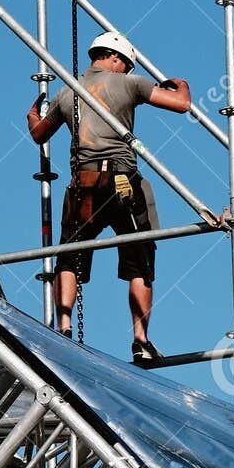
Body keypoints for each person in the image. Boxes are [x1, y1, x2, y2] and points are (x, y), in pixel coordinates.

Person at [26, 31, 190, 367]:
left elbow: (39, 133)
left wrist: (32, 116)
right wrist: (181, 84)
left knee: (69, 255)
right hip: (122, 181)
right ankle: (141, 340)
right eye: (126, 65)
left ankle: (64, 327)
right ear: (116, 58)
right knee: (140, 258)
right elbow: (181, 105)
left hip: (83, 184)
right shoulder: (130, 84)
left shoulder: (65, 92)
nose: (127, 70)